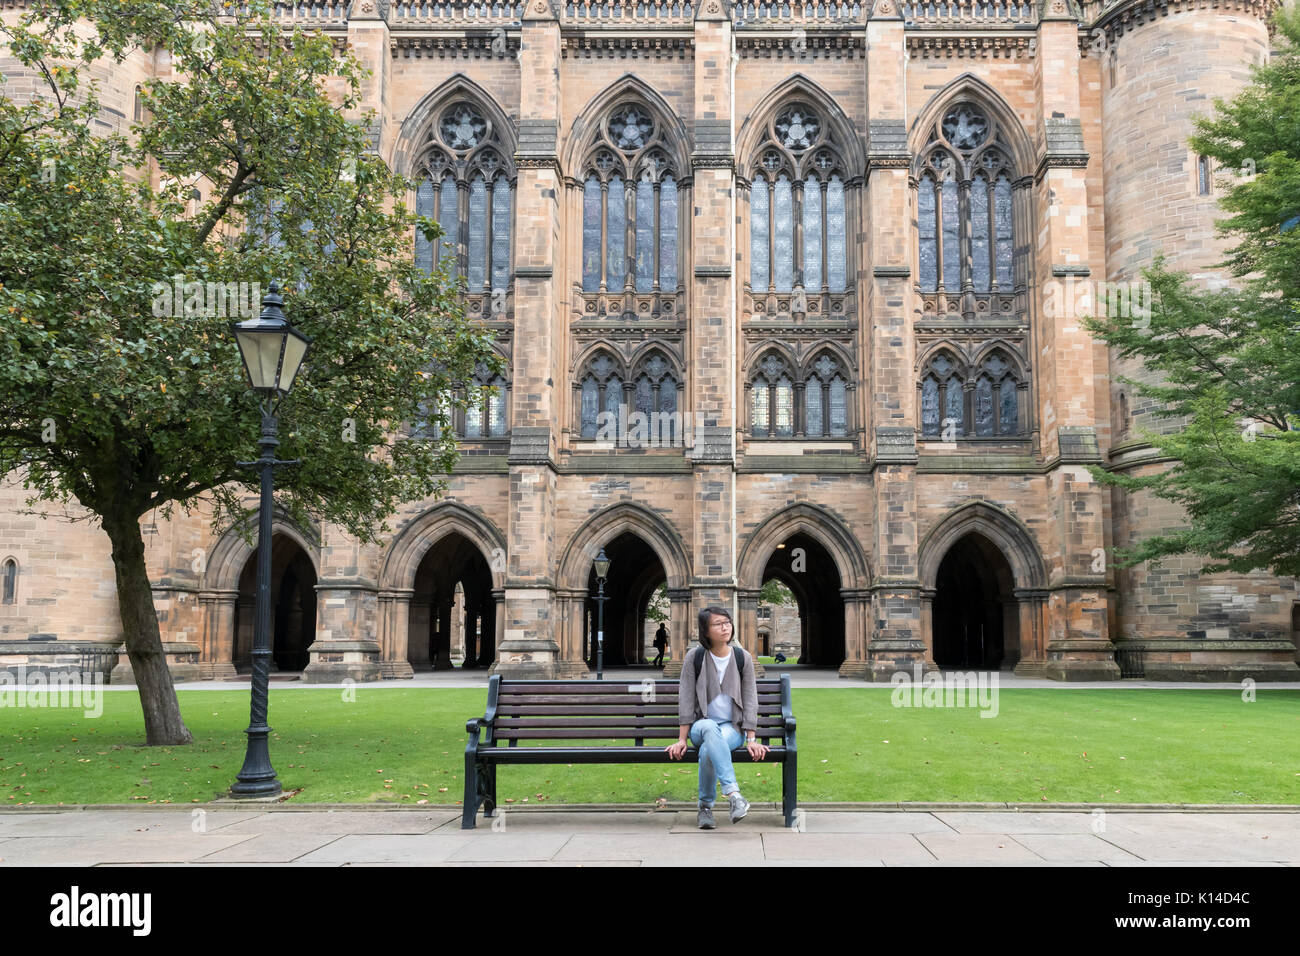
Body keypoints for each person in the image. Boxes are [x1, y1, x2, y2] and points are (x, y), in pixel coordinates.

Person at [665, 606, 769, 829]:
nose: (725, 627)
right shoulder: (695, 657)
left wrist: (751, 739)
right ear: (705, 630)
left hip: (732, 729)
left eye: (727, 622)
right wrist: (682, 739)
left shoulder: (743, 658)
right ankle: (734, 795)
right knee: (709, 728)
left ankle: (705, 808)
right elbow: (686, 699)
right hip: (700, 726)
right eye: (718, 624)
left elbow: (750, 700)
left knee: (707, 751)